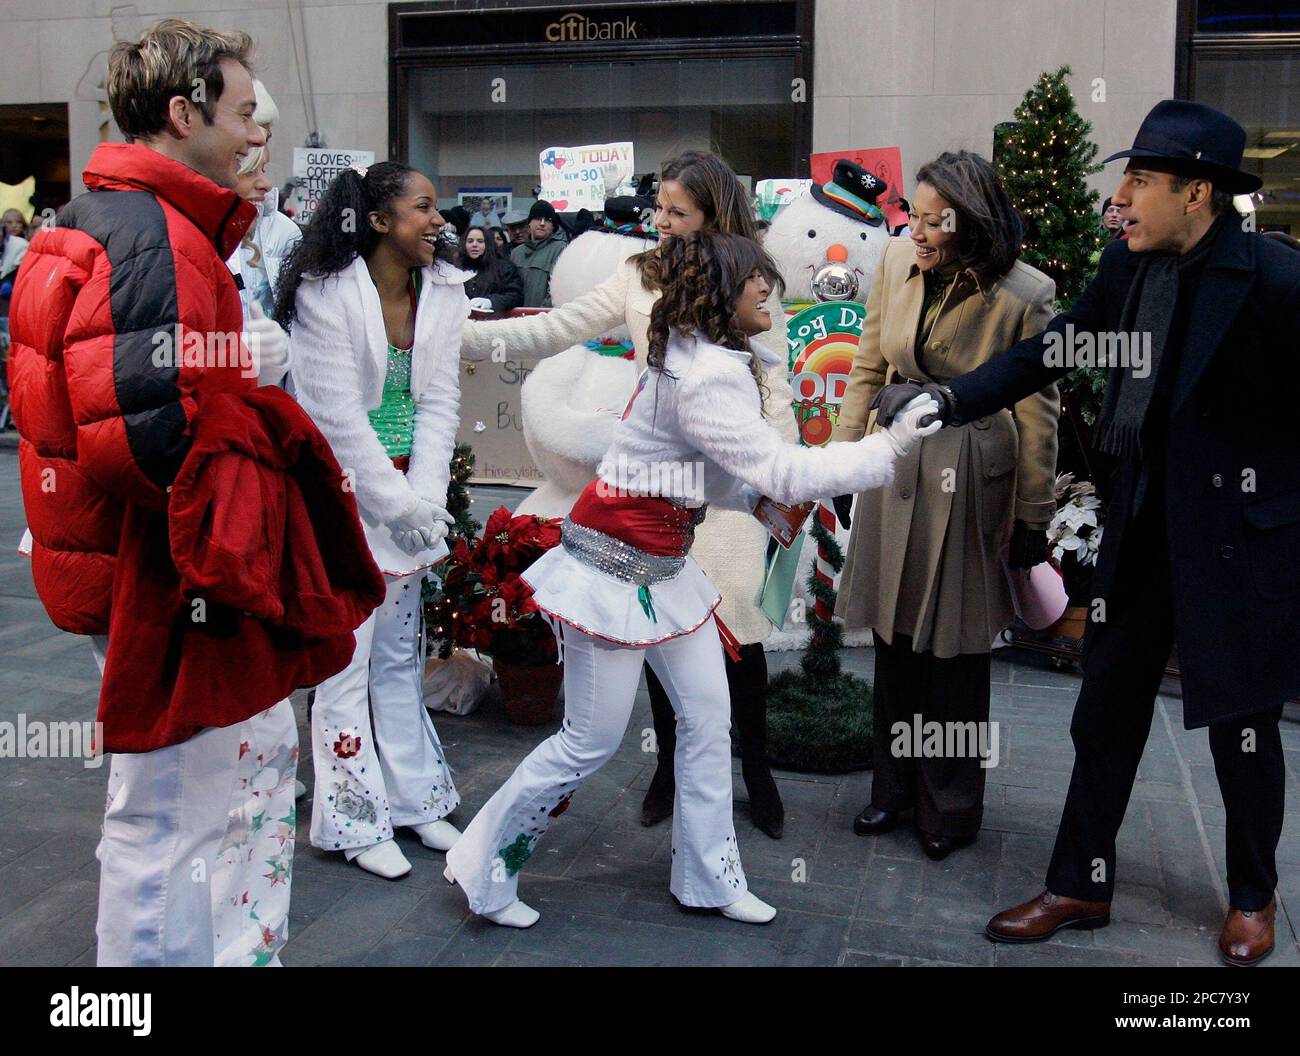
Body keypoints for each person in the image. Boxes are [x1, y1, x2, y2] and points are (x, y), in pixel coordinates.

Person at [873, 100, 1297, 966]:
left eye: (1142, 180)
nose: (1124, 197)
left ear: (1199, 192)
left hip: (1235, 546)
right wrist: (949, 399)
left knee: (1242, 734)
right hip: (1141, 533)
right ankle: (1080, 883)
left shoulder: (1276, 282)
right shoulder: (1127, 268)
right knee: (1102, 716)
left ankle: (1253, 895)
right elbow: (1047, 356)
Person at [444, 230, 943, 928]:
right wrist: (888, 447)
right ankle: (486, 868)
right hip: (611, 577)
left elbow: (692, 474)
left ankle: (709, 877)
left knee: (709, 719)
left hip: (663, 572)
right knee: (590, 741)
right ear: (719, 295)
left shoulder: (703, 360)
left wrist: (755, 502)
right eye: (754, 280)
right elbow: (782, 470)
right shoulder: (705, 372)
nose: (768, 289)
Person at [4, 18, 329, 967]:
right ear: (183, 114)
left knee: (175, 807)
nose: (255, 135)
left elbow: (123, 393)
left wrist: (232, 361)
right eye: (240, 114)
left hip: (130, 565)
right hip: (165, 574)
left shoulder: (92, 219)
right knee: (186, 815)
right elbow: (151, 443)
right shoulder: (159, 237)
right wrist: (258, 407)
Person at [462, 151, 798, 839]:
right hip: (667, 485)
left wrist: (778, 478)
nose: (662, 223)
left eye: (679, 213)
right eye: (660, 209)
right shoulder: (640, 273)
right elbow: (553, 327)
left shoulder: (753, 280)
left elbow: (776, 384)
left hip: (731, 483)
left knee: (741, 636)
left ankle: (755, 770)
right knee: (661, 626)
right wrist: (457, 334)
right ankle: (670, 767)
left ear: (715, 214)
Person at [831, 151, 1060, 861]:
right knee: (896, 641)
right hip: (891, 460)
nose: (920, 232)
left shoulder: (1025, 291)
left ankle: (950, 806)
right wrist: (841, 459)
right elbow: (870, 364)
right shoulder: (894, 258)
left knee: (954, 653)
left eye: (937, 221)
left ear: (973, 221)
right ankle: (892, 790)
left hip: (969, 471)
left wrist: (1031, 516)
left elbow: (1038, 410)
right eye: (916, 216)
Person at [275, 160, 469, 880]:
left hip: (405, 499)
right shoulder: (324, 295)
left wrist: (427, 501)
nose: (438, 220)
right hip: (340, 498)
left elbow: (440, 403)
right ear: (380, 221)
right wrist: (397, 504)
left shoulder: (444, 291)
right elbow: (333, 417)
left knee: (397, 655)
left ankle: (415, 801)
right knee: (344, 664)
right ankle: (355, 820)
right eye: (423, 207)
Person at [510, 199, 569, 306]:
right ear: (529, 223)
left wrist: (539, 317)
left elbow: (557, 291)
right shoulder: (516, 253)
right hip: (516, 319)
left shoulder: (560, 249)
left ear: (553, 226)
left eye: (547, 220)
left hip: (543, 318)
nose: (542, 223)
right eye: (537, 218)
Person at [459, 223, 524, 313]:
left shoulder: (504, 267)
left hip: (494, 322)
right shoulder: (457, 268)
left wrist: (491, 302)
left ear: (488, 244)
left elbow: (515, 295)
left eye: (480, 241)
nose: (474, 245)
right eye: (470, 241)